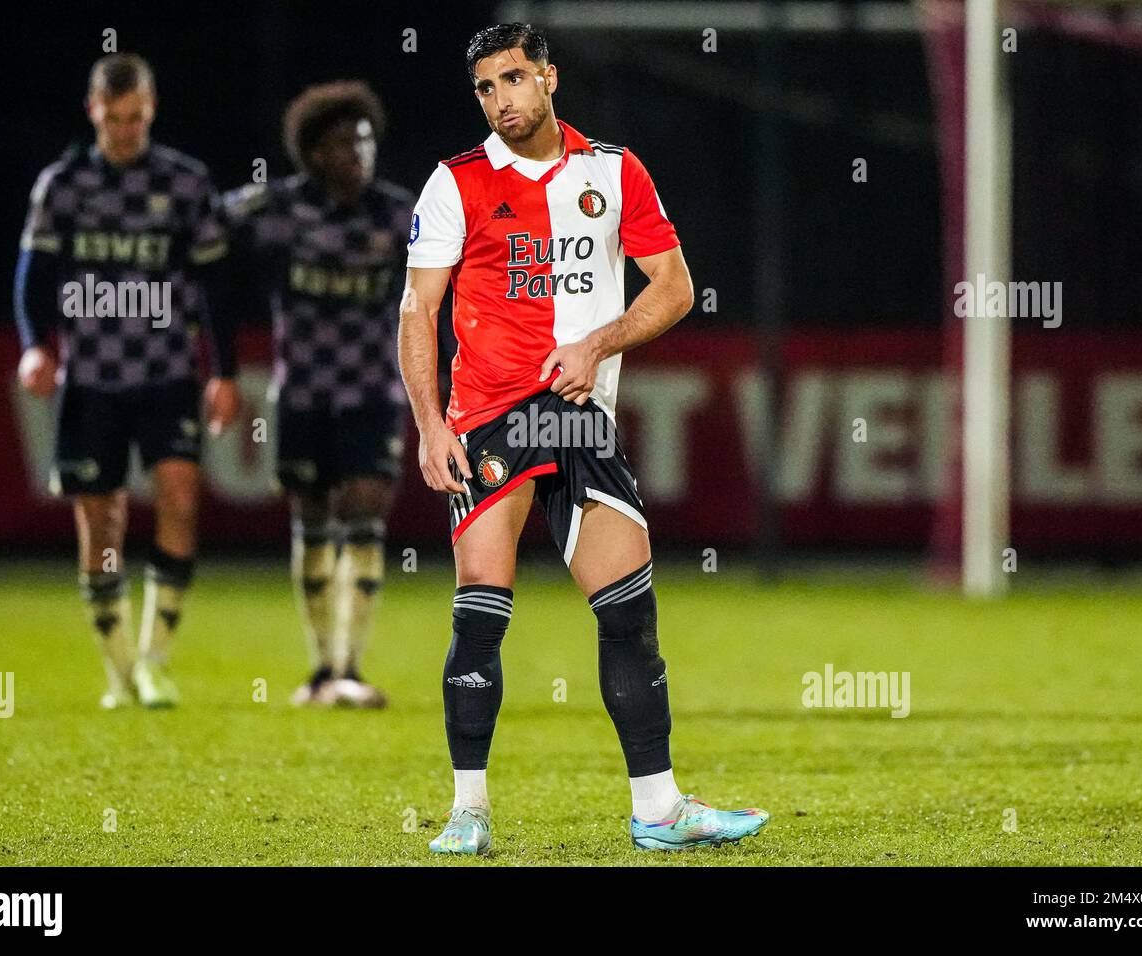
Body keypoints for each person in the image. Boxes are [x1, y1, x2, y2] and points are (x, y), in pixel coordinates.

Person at [399, 23, 769, 853]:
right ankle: (469, 811)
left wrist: (598, 342)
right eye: (486, 88)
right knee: (482, 611)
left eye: (514, 79)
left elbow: (673, 289)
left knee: (630, 614)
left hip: (578, 419)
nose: (501, 101)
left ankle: (660, 811)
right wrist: (429, 425)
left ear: (549, 77)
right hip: (489, 417)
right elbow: (417, 311)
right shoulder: (453, 184)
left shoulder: (615, 171)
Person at [14, 53, 239, 709]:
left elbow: (214, 284)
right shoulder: (61, 185)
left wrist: (223, 370)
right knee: (101, 522)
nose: (125, 131)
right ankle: (118, 671)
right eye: (114, 119)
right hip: (90, 380)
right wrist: (35, 347)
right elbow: (32, 277)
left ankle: (155, 661)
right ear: (94, 113)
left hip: (167, 374)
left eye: (136, 117)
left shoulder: (185, 182)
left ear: (151, 110)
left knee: (179, 496)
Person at [223, 82, 414, 708]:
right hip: (302, 393)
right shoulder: (277, 208)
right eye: (340, 144)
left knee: (363, 510)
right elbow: (204, 226)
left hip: (374, 390)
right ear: (314, 154)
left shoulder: (399, 214)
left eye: (363, 141)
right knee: (309, 521)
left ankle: (350, 667)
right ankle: (319, 667)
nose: (357, 153)